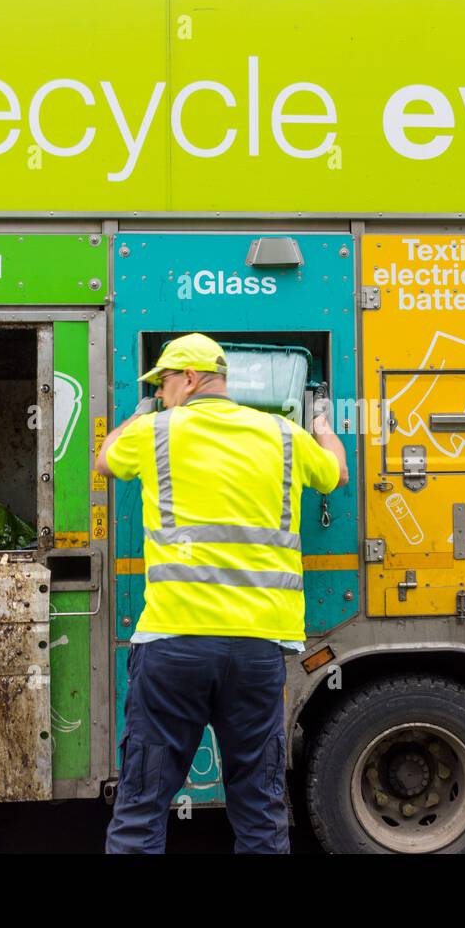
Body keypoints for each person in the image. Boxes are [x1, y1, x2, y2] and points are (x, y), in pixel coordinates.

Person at [94, 332, 348, 853]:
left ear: (188, 378)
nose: (161, 393)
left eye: (162, 383)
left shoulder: (156, 432)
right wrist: (322, 424)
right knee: (259, 809)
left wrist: (142, 414)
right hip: (256, 649)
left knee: (142, 807)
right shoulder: (282, 434)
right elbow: (335, 473)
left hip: (174, 644)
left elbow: (105, 459)